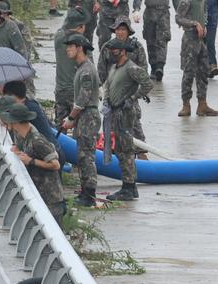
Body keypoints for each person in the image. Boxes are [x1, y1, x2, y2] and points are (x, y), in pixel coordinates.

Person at [104, 38, 154, 200]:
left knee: (126, 151)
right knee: (119, 150)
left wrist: (132, 98)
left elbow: (147, 84)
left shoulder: (131, 68)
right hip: (114, 113)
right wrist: (106, 102)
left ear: (123, 51)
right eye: (111, 49)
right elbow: (108, 86)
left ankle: (129, 186)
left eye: (115, 49)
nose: (112, 52)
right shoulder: (114, 67)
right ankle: (129, 185)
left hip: (125, 114)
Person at [1, 101, 66, 221]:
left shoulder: (37, 140)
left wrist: (31, 161)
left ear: (15, 122)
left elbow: (56, 164)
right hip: (41, 196)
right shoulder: (24, 136)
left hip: (51, 198)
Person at [59, 33, 101, 206]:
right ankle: (85, 191)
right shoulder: (82, 68)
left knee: (87, 156)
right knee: (82, 155)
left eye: (71, 46)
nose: (68, 49)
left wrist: (70, 118)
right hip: (84, 117)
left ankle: (89, 194)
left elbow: (83, 100)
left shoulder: (86, 71)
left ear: (80, 48)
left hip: (88, 116)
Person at [175, 0, 214, 116]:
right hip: (190, 39)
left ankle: (202, 104)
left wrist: (204, 25)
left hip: (201, 40)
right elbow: (178, 18)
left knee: (203, 72)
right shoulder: (186, 1)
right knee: (189, 73)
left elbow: (204, 13)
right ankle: (186, 105)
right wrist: (195, 23)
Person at [54, 10, 87, 120]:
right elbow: (87, 65)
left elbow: (65, 27)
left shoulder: (58, 37)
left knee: (60, 125)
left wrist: (73, 15)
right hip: (75, 91)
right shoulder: (82, 43)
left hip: (60, 89)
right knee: (77, 124)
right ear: (80, 27)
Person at [142, 0, 171, 81]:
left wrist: (180, 13)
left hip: (163, 13)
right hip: (149, 12)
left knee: (162, 39)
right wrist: (136, 9)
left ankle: (160, 67)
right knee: (150, 40)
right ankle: (153, 67)